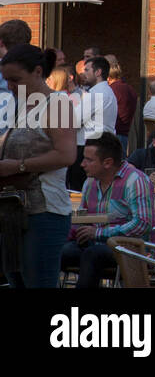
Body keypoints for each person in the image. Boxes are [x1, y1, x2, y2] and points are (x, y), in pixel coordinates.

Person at [0, 44, 77, 288]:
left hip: (45, 211)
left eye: (15, 79)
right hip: (14, 211)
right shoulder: (19, 105)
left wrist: (17, 166)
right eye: (6, 80)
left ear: (37, 71)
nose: (10, 86)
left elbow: (66, 155)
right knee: (17, 280)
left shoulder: (58, 104)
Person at [60, 134, 155, 287]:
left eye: (88, 160)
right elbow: (84, 220)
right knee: (58, 252)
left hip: (132, 250)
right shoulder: (90, 182)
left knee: (92, 255)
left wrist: (98, 234)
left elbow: (142, 224)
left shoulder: (135, 180)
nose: (82, 164)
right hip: (94, 246)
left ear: (107, 163)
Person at [80, 56, 117, 141]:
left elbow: (75, 120)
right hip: (102, 142)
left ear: (98, 72)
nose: (83, 74)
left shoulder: (97, 93)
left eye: (86, 70)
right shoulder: (106, 91)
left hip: (95, 144)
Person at [106, 58, 137, 148]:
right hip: (125, 132)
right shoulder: (130, 89)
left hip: (113, 133)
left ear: (108, 78)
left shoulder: (112, 90)